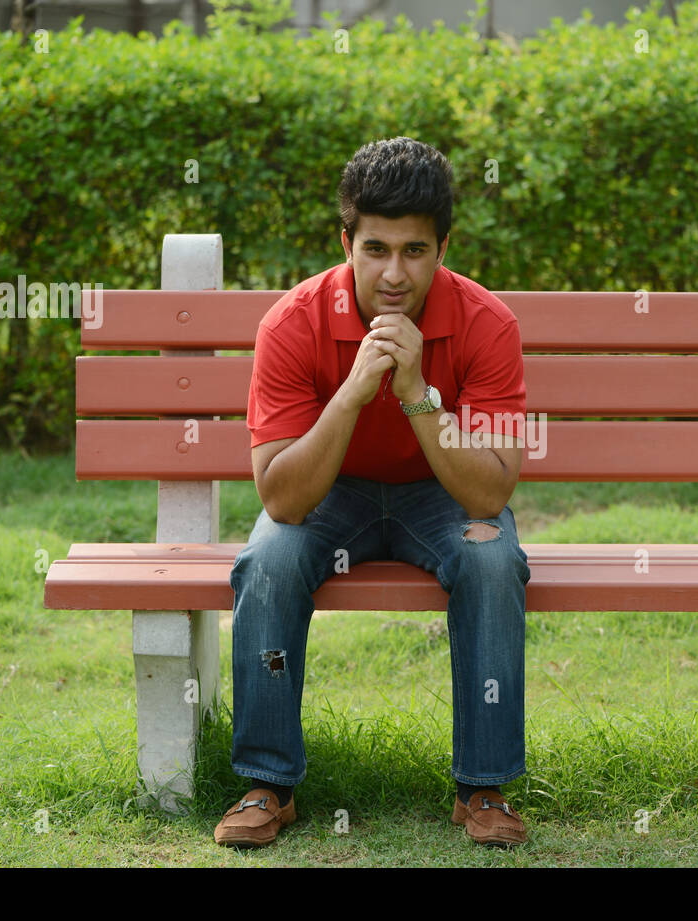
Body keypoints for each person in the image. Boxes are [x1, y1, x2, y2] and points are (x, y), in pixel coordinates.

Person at [213, 137, 532, 850]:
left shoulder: (489, 324)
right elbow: (283, 500)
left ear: (443, 247)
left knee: (489, 556)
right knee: (267, 559)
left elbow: (487, 493)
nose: (394, 273)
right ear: (346, 242)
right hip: (333, 497)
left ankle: (483, 785)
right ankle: (268, 783)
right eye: (376, 248)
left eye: (415, 251)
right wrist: (354, 394)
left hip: (440, 495)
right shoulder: (291, 324)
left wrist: (417, 394)